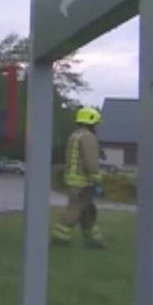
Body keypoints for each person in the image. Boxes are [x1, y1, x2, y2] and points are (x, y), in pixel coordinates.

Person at [51, 106, 105, 248]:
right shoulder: (88, 137)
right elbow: (90, 159)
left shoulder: (75, 135)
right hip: (82, 180)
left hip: (73, 178)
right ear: (91, 121)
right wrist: (97, 178)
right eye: (96, 123)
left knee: (87, 210)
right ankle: (60, 238)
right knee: (75, 208)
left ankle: (93, 240)